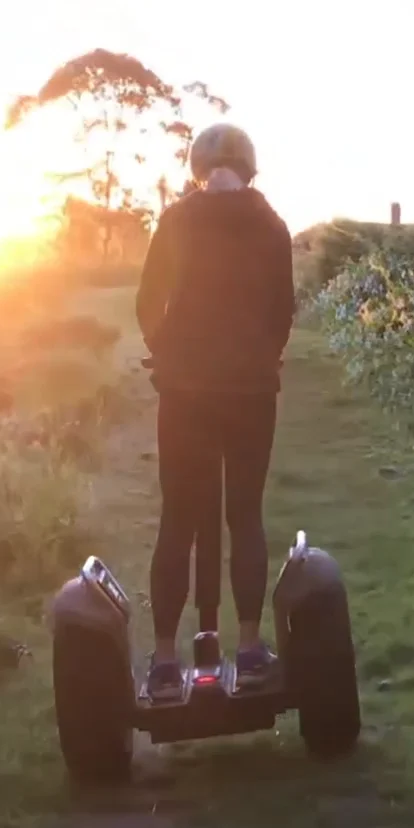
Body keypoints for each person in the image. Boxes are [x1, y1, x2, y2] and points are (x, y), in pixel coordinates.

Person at [134, 122, 295, 701]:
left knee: (178, 519)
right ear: (248, 167)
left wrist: (167, 356)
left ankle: (164, 661)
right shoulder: (272, 225)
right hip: (252, 393)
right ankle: (250, 650)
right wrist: (258, 360)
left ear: (199, 168)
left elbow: (147, 302)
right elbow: (284, 310)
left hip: (185, 394)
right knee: (244, 515)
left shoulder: (176, 220)